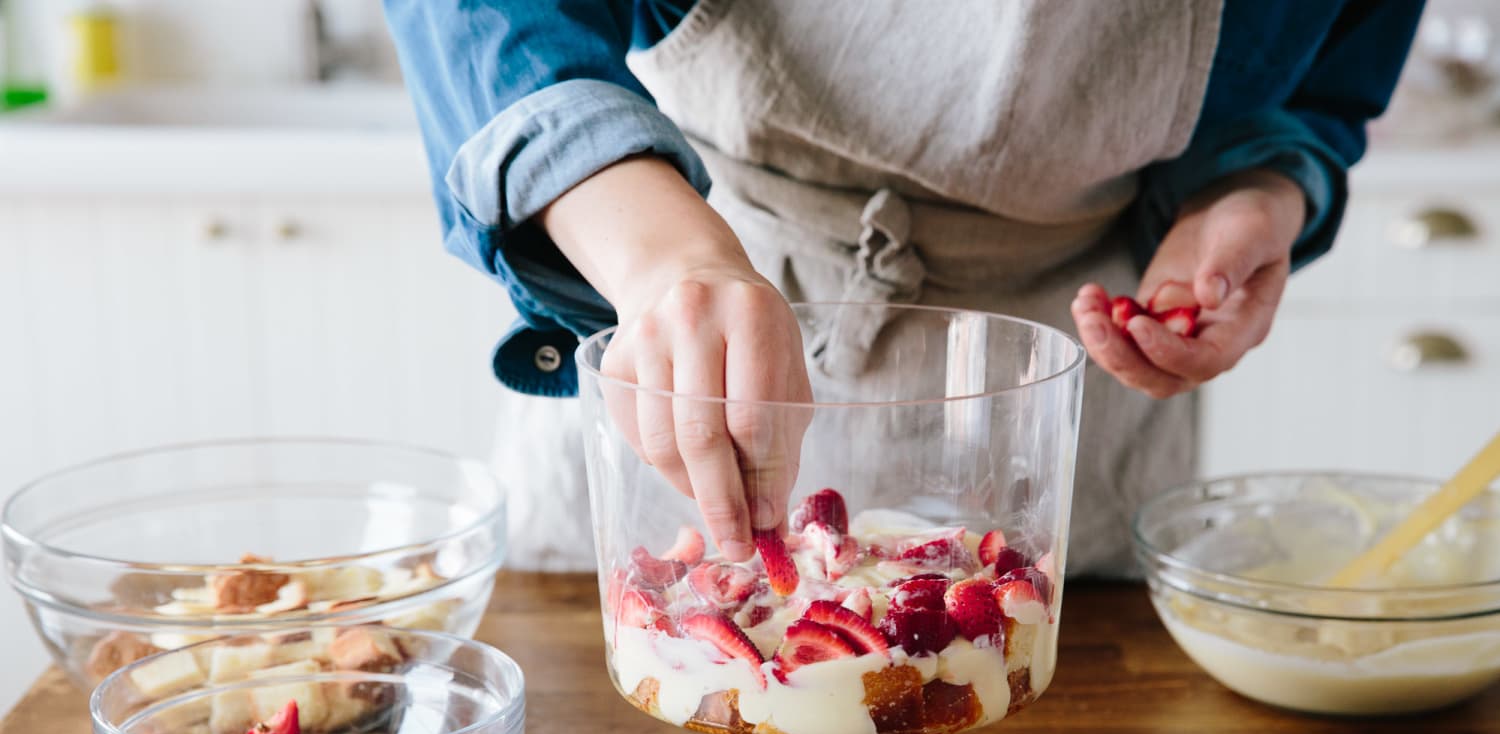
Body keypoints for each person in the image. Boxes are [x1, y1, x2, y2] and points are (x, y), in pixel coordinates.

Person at [383, 1, 1423, 574]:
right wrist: (663, 257)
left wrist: (1256, 189)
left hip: (1067, 426)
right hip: (693, 326)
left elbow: (1322, 74)